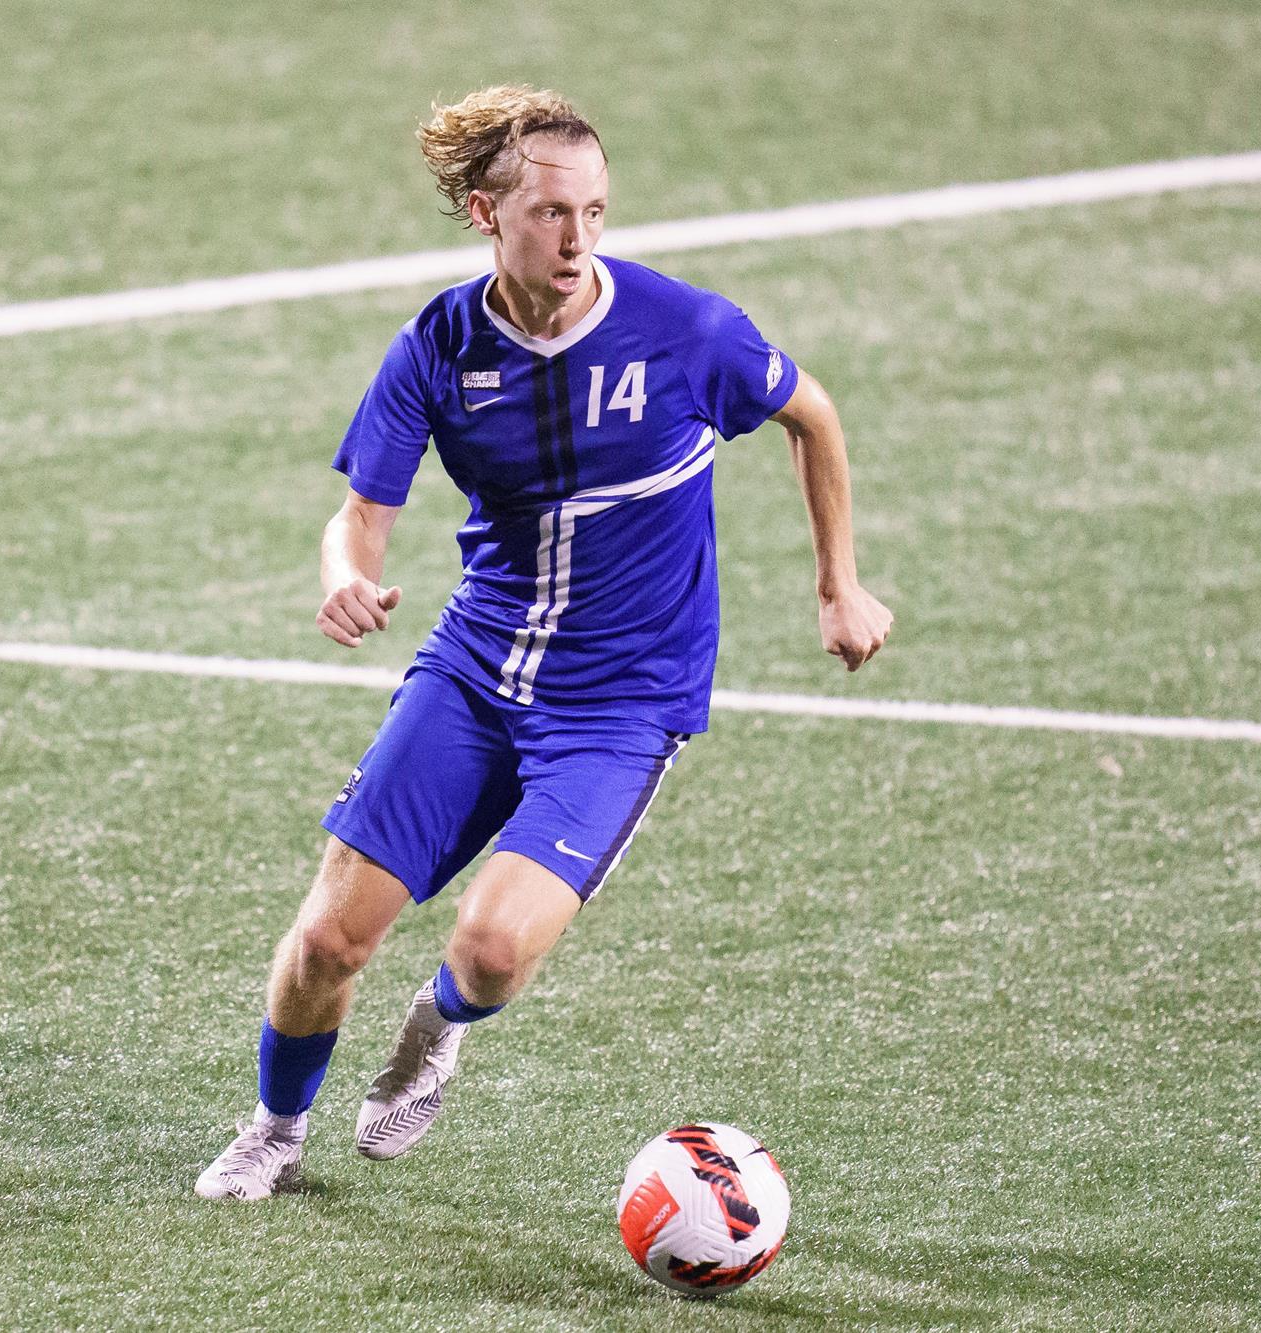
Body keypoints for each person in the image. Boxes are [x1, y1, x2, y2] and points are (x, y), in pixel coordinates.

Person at [196, 85, 891, 1200]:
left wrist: (837, 585)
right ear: (488, 215)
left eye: (596, 212)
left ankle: (436, 1030)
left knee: (488, 948)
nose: (577, 239)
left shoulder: (686, 334)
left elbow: (811, 412)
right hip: (476, 671)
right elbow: (361, 512)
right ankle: (276, 1127)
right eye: (551, 214)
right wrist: (345, 575)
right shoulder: (439, 343)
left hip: (620, 707)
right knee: (330, 936)